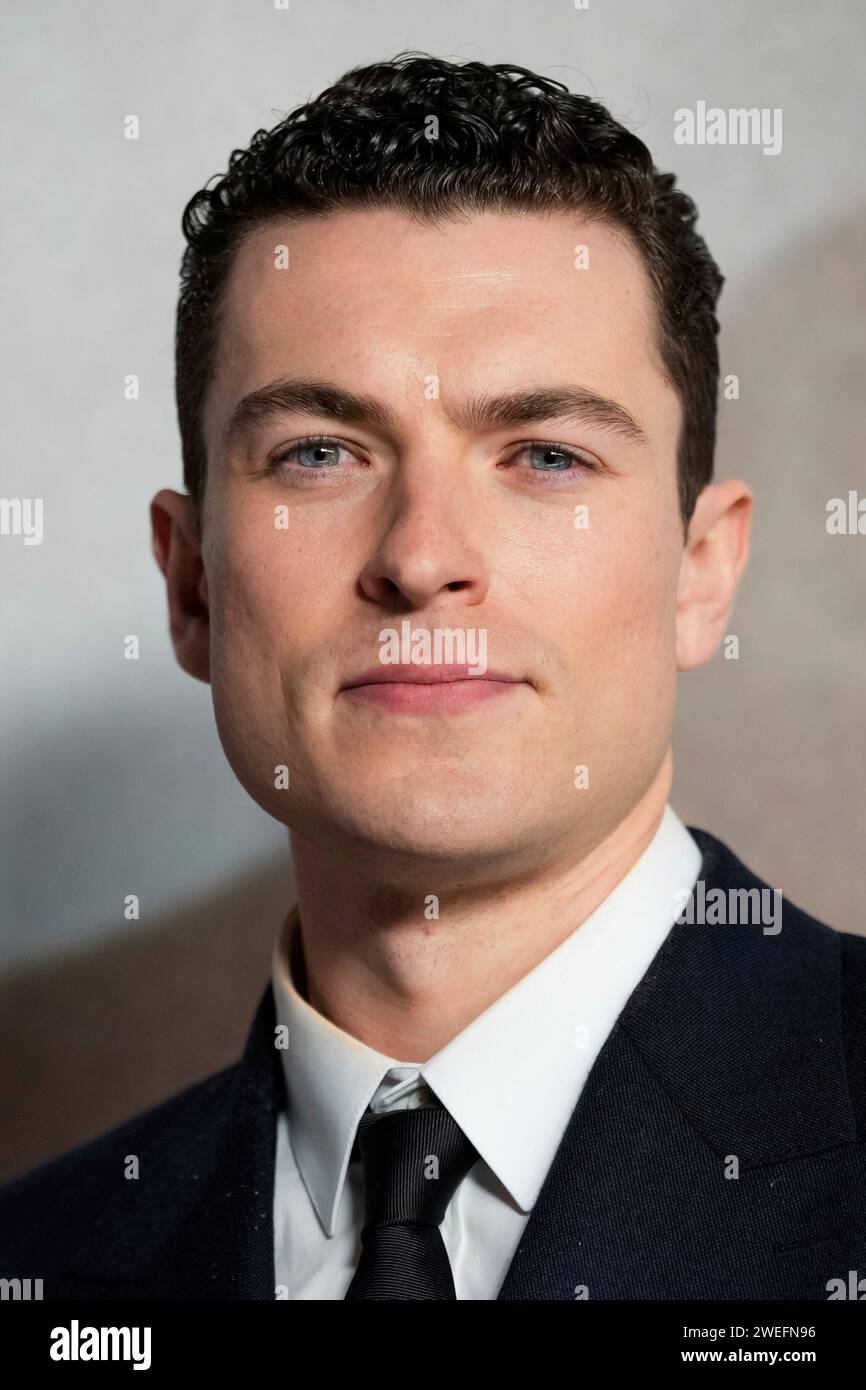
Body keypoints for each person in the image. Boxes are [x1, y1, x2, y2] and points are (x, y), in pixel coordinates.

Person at [2, 52, 865, 1301]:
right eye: (317, 451)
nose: (420, 558)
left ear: (698, 570)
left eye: (546, 456)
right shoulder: (38, 1264)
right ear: (190, 583)